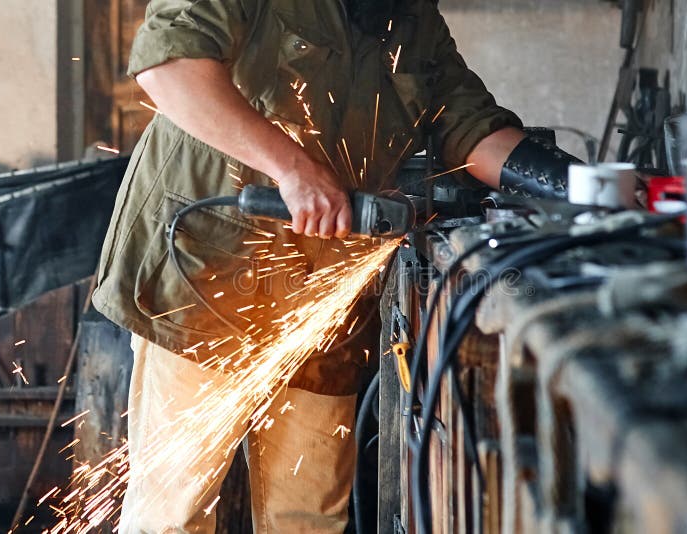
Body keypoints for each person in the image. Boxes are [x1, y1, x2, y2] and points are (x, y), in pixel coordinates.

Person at [91, 0, 579, 532]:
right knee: (173, 513)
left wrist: (586, 186)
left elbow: (471, 128)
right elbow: (169, 69)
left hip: (327, 299)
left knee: (308, 518)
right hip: (206, 276)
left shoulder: (410, 17)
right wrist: (291, 168)